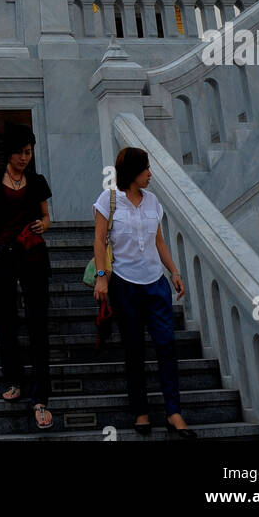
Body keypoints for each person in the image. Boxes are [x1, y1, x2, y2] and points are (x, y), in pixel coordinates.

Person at [93, 146, 196, 438]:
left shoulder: (153, 202)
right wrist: (102, 277)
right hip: (124, 284)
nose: (150, 174)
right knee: (134, 349)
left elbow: (159, 241)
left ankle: (173, 412)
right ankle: (140, 411)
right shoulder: (108, 200)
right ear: (132, 172)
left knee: (166, 345)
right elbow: (99, 241)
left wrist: (174, 271)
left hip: (155, 283)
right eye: (145, 169)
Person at [0, 123, 54, 431]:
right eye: (19, 153)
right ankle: (14, 379)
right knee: (6, 319)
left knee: (37, 322)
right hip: (0, 257)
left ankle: (41, 395)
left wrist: (45, 224)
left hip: (32, 255)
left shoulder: (37, 181)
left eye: (28, 152)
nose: (24, 158)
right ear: (9, 153)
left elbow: (45, 215)